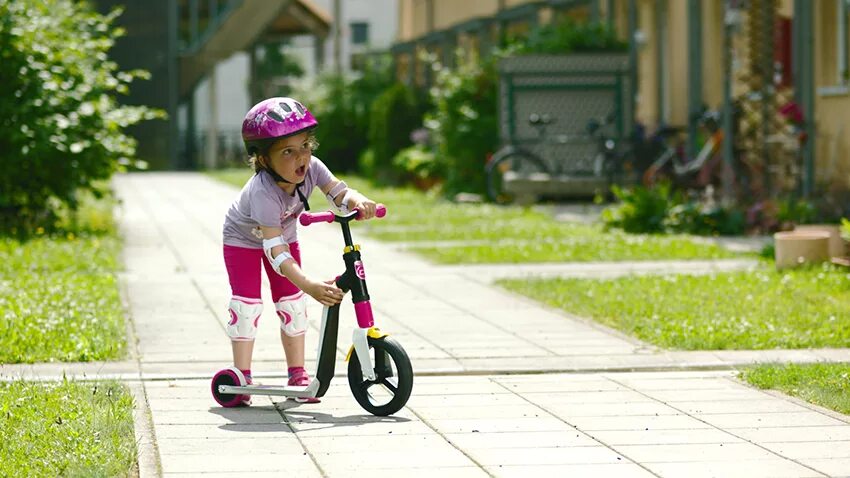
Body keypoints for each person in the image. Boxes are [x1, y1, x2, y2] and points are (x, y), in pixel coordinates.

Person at [221, 97, 377, 405]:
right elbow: (276, 252)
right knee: (246, 305)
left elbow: (339, 192)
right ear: (264, 160)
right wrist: (308, 284)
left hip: (283, 236)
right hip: (243, 240)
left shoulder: (313, 168)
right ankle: (241, 378)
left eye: (305, 146)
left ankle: (298, 373)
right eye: (288, 152)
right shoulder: (263, 193)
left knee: (292, 305)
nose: (301, 158)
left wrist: (358, 200)